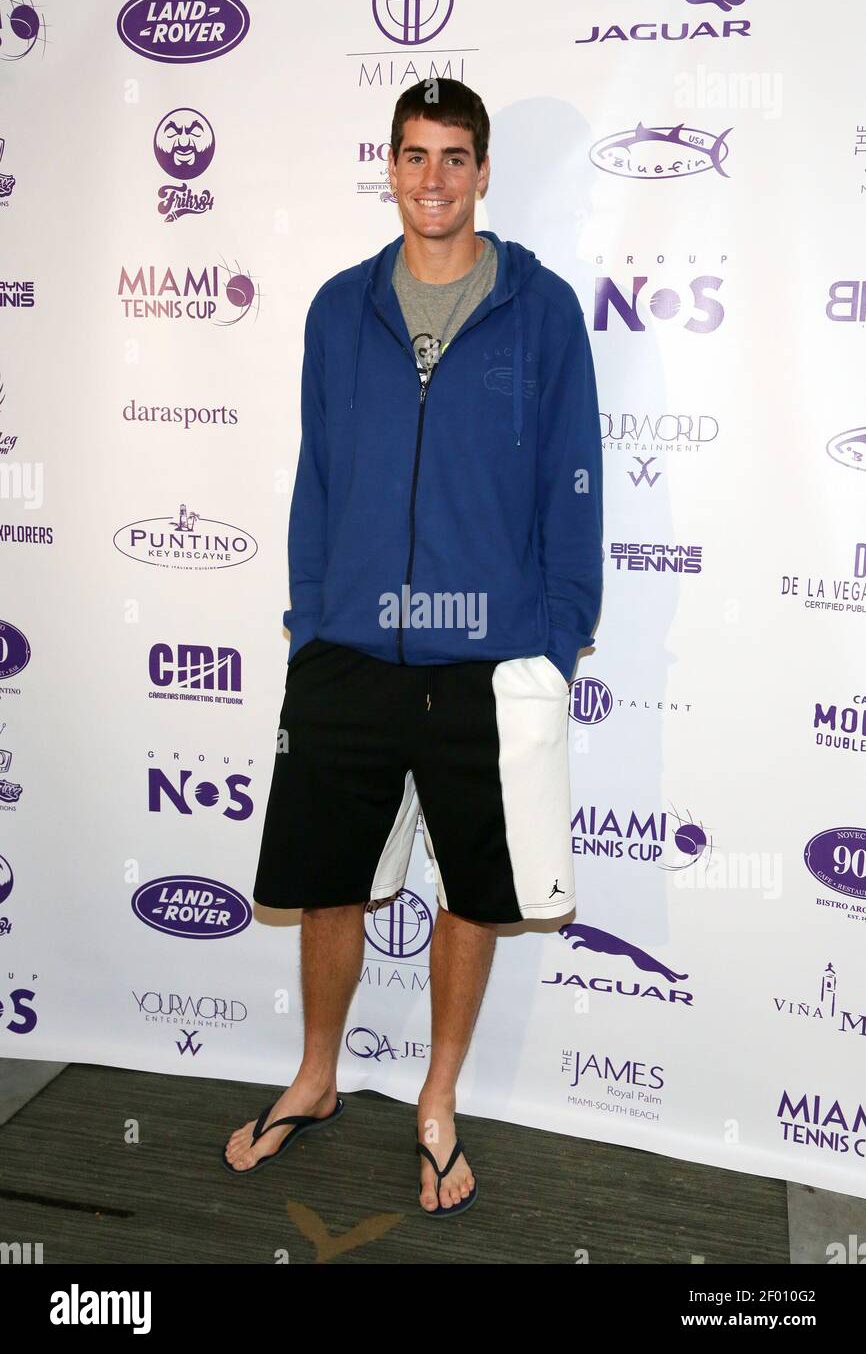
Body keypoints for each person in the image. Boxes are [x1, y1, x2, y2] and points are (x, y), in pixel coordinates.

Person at [223, 79, 604, 1215]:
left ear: (482, 172)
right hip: (344, 652)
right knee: (327, 889)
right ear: (386, 167)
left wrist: (551, 634)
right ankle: (317, 1075)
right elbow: (318, 476)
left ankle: (436, 1101)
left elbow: (570, 485)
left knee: (472, 896)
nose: (431, 178)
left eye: (453, 157)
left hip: (481, 664)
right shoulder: (338, 311)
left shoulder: (540, 314)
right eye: (412, 155)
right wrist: (309, 612)